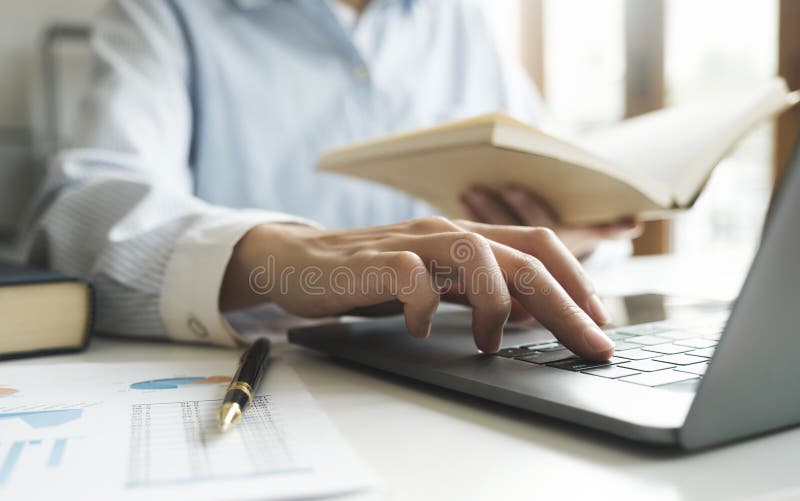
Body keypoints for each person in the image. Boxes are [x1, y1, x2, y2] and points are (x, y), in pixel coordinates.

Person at [26, 0, 639, 360]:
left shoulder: (459, 20)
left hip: (472, 360)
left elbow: (553, 234)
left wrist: (561, 233)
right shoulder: (165, 13)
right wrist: (290, 259)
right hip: (279, 374)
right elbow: (83, 225)